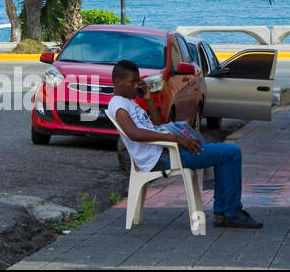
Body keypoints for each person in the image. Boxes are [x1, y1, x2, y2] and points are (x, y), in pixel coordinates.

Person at [108, 59, 262, 229]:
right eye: (132, 81)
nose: (136, 85)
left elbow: (159, 126)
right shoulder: (118, 105)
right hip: (162, 157)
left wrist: (149, 100)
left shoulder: (130, 103)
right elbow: (134, 134)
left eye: (138, 81)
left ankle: (225, 212)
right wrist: (177, 139)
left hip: (165, 151)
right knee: (230, 153)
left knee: (223, 153)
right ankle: (230, 213)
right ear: (117, 82)